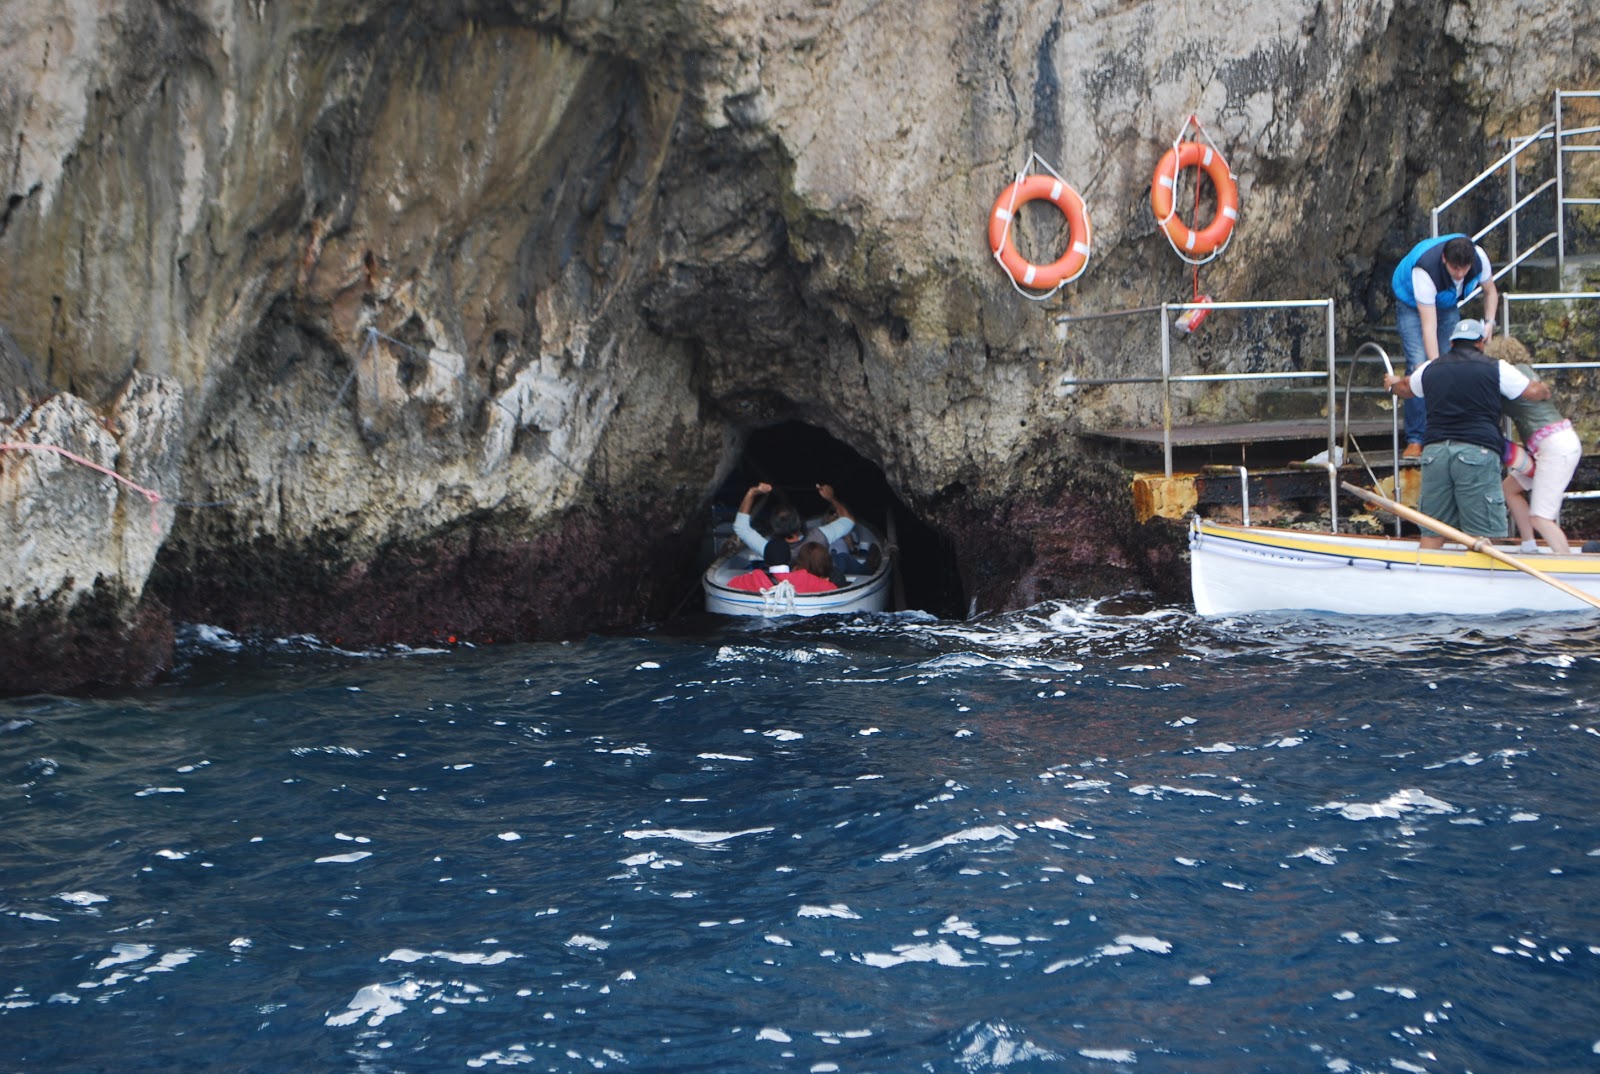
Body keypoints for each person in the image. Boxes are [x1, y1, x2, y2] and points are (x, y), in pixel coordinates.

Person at [1383, 319, 1548, 549]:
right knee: (1482, 535)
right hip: (1476, 451)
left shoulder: (1431, 367)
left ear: (1451, 343)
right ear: (1481, 343)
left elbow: (1404, 389)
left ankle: (1426, 577)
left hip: (1435, 453)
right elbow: (1532, 391)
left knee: (1433, 530)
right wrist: (1545, 389)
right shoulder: (1495, 367)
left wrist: (1391, 384)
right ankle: (1483, 581)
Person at [1391, 234, 1500, 457]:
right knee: (1420, 366)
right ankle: (1416, 438)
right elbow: (1428, 326)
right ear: (1444, 260)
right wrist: (1435, 368)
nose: (1460, 274)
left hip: (1448, 302)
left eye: (1464, 269)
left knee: (1455, 362)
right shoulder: (1425, 271)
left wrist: (1489, 322)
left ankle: (1451, 431)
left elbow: (1490, 291)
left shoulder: (1479, 258)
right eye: (1455, 269)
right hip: (1412, 302)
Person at [1486, 335, 1581, 554]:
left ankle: (1567, 565)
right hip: (1553, 442)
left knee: (1541, 517)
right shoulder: (1525, 371)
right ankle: (1529, 545)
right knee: (1509, 489)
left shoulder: (1509, 376)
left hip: (1554, 446)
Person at [733, 481, 856, 558]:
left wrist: (752, 493)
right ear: (799, 522)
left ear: (774, 527)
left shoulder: (768, 548)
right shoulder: (820, 535)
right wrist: (831, 498)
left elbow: (741, 527)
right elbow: (849, 520)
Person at [726, 538, 793, 592]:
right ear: (790, 559)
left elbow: (731, 584)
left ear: (766, 560)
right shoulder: (802, 578)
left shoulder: (754, 578)